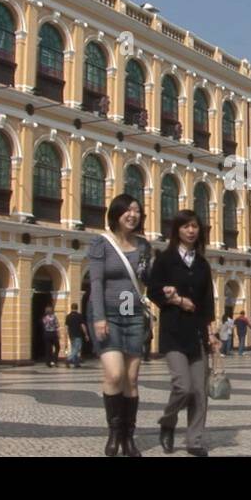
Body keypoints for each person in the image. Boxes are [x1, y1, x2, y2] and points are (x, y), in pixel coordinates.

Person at [149, 210, 220, 457]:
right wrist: (177, 300)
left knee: (199, 392)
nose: (191, 231)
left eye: (195, 226)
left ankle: (195, 440)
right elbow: (153, 291)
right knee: (183, 387)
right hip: (173, 333)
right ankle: (168, 422)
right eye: (186, 226)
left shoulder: (202, 264)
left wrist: (211, 332)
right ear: (177, 230)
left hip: (198, 334)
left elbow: (208, 302)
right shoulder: (165, 259)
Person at [88, 193, 153, 457]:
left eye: (136, 210)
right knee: (114, 375)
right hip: (109, 316)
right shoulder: (100, 243)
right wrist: (100, 317)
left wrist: (150, 270)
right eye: (127, 210)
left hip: (134, 316)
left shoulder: (144, 246)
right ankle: (114, 433)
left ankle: (128, 437)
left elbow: (148, 280)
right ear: (116, 214)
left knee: (132, 378)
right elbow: (96, 283)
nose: (132, 214)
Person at [64, 303, 89, 368]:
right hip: (78, 334)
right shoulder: (79, 316)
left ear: (71, 308)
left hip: (71, 334)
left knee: (73, 348)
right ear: (77, 308)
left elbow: (66, 327)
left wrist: (66, 335)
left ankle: (76, 363)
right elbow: (83, 325)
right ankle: (68, 359)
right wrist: (86, 334)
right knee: (77, 349)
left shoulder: (68, 316)